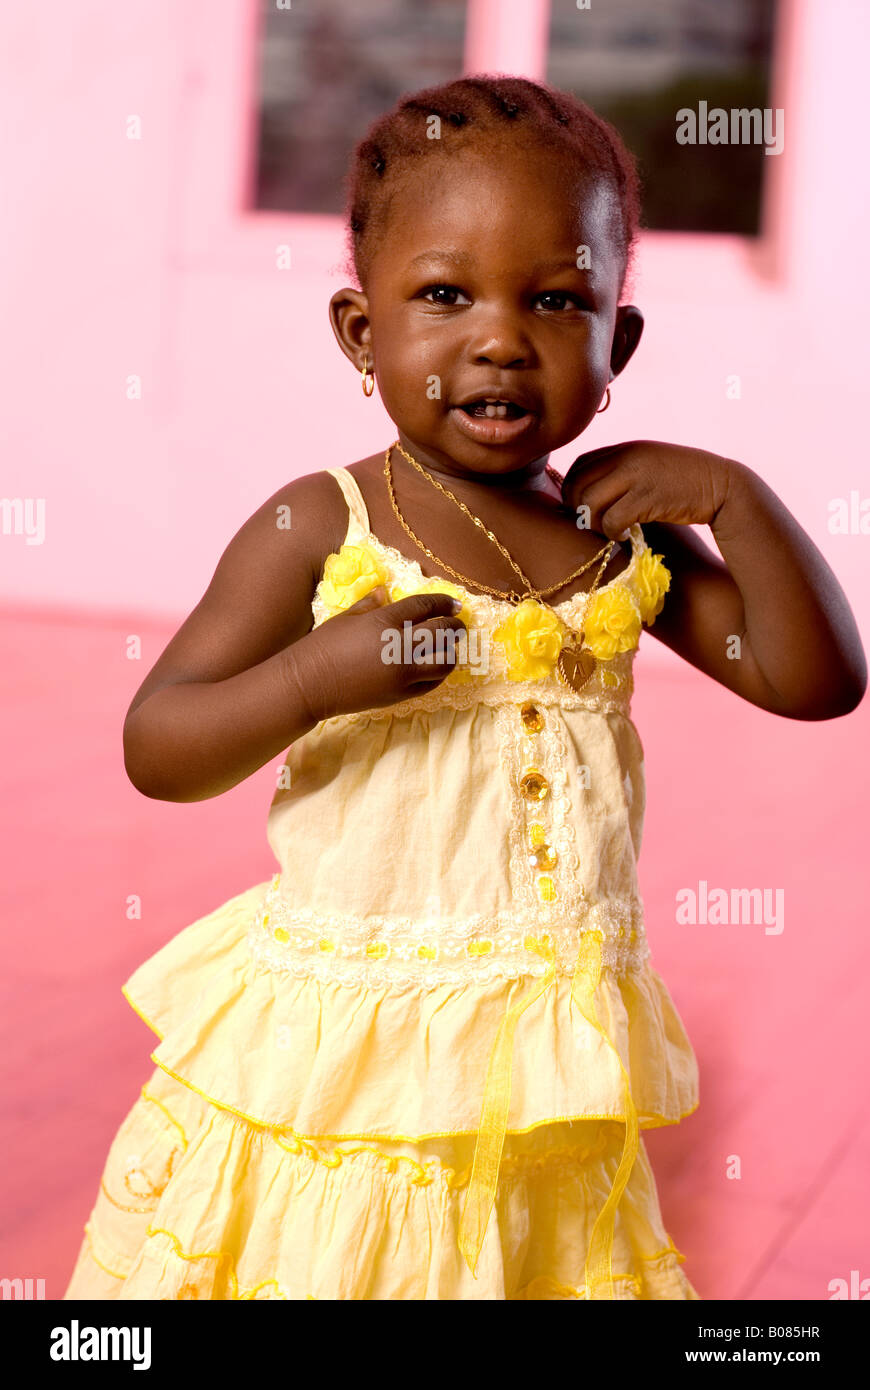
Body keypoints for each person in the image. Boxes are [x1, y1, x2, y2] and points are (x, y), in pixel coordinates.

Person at [64, 75, 865, 1301]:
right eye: (445, 295)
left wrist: (738, 501)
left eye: (557, 300)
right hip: (346, 1064)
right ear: (360, 331)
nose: (500, 337)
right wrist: (313, 677)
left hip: (544, 1078)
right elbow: (159, 743)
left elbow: (816, 682)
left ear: (618, 344)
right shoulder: (318, 525)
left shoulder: (620, 541)